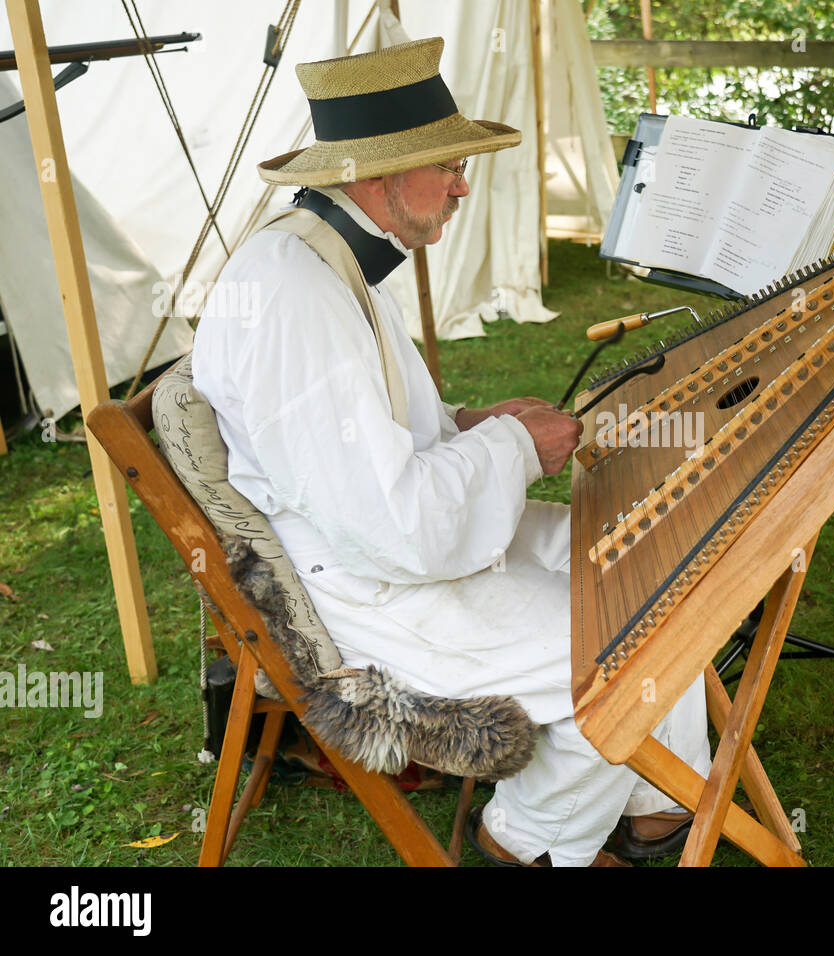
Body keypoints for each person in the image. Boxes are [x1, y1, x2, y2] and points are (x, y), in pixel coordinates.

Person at [191, 37, 710, 866]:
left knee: (641, 558)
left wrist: (472, 420)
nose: (465, 184)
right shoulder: (296, 298)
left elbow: (377, 439)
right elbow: (394, 526)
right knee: (629, 641)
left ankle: (655, 798)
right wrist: (513, 444)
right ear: (376, 176)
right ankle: (526, 839)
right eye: (450, 166)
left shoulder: (324, 257)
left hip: (387, 543)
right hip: (370, 589)